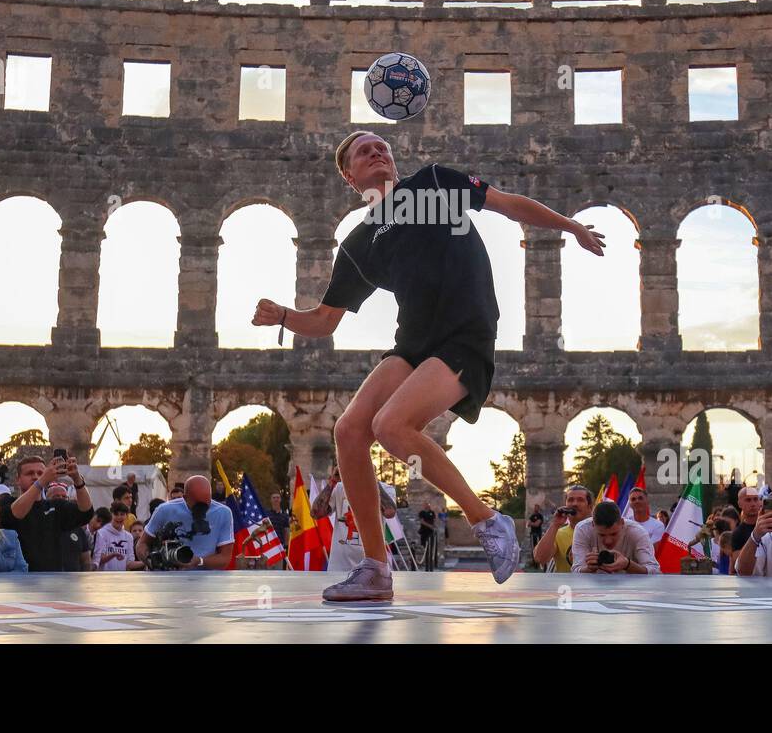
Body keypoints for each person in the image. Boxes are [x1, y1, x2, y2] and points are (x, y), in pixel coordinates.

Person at [253, 132, 607, 601]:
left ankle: (486, 518)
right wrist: (281, 316)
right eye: (364, 151)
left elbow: (508, 204)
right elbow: (324, 320)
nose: (377, 152)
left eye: (382, 146)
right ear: (349, 175)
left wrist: (571, 226)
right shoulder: (358, 245)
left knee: (392, 425)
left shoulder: (433, 182)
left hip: (465, 330)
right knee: (350, 430)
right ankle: (375, 568)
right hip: (413, 342)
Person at [0, 454, 94, 572]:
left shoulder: (55, 506)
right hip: (18, 580)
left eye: (40, 473)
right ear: (17, 479)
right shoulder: (7, 503)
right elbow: (14, 515)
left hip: (51, 582)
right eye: (30, 473)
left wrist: (77, 480)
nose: (36, 477)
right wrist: (42, 481)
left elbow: (86, 512)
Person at [310, 465, 398, 572]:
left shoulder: (386, 489)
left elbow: (389, 512)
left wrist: (372, 479)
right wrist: (333, 480)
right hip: (340, 567)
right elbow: (316, 513)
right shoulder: (340, 488)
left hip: (372, 568)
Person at [137, 475, 234, 570]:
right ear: (185, 498)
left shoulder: (223, 512)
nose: (201, 510)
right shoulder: (164, 510)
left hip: (208, 579)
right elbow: (142, 544)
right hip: (170, 579)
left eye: (205, 505)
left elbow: (225, 558)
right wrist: (151, 560)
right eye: (197, 505)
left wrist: (199, 561)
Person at [572, 500, 660, 574]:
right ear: (592, 525)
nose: (608, 541)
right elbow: (576, 570)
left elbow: (655, 571)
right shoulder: (583, 529)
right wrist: (589, 568)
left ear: (622, 523)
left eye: (614, 534)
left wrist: (628, 564)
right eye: (602, 535)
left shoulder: (637, 532)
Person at [533, 485, 593, 573]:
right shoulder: (557, 534)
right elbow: (540, 558)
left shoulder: (601, 532)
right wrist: (555, 524)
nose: (574, 504)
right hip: (566, 586)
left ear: (590, 507)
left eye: (580, 500)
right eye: (570, 500)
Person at [93, 502, 143, 571]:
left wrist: (145, 562)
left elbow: (129, 563)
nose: (119, 517)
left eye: (122, 514)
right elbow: (98, 559)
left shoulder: (129, 537)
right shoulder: (101, 533)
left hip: (121, 580)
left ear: (126, 516)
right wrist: (113, 555)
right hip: (104, 579)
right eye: (116, 514)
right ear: (111, 515)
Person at [729, 487, 761, 560]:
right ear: (739, 504)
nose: (753, 504)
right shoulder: (737, 533)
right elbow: (737, 561)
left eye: (755, 499)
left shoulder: (770, 526)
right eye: (748, 500)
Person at [266, 492, 291, 561]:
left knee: (278, 569)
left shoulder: (285, 516)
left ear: (280, 500)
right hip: (268, 546)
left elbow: (287, 531)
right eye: (274, 498)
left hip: (279, 547)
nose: (276, 499)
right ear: (271, 500)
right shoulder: (266, 514)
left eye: (278, 497)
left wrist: (285, 547)